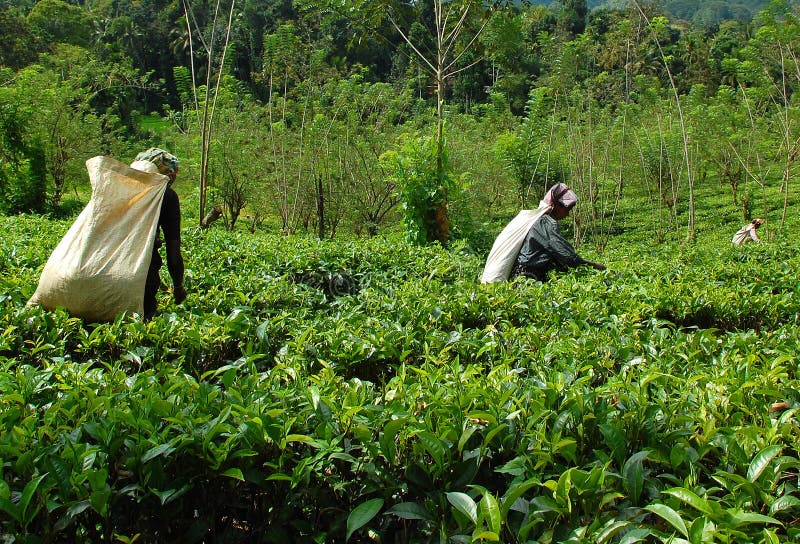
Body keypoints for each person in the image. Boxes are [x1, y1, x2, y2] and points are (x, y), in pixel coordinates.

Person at [131, 148, 187, 319]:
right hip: (138, 282)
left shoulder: (120, 187)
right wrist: (178, 287)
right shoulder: (166, 196)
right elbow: (173, 253)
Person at [510, 183, 606, 281]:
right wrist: (593, 265)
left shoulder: (541, 221)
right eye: (567, 210)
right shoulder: (545, 222)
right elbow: (566, 254)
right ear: (557, 206)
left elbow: (555, 254)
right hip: (526, 277)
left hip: (528, 274)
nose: (568, 214)